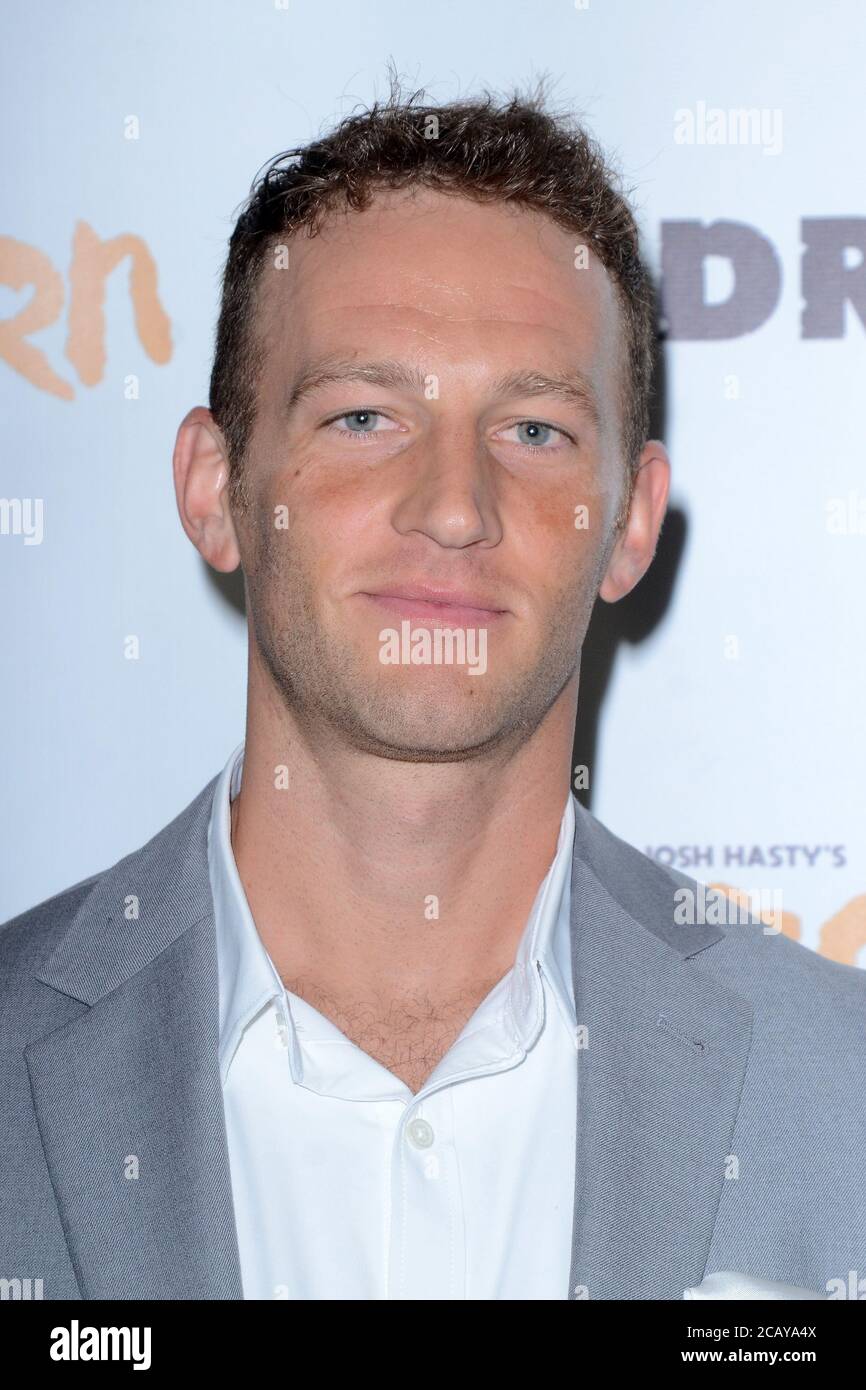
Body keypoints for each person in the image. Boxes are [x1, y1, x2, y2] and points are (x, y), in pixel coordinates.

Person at [1, 80, 864, 1302]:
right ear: (214, 487)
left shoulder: (844, 1093)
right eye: (363, 415)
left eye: (533, 431)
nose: (453, 506)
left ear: (629, 522)